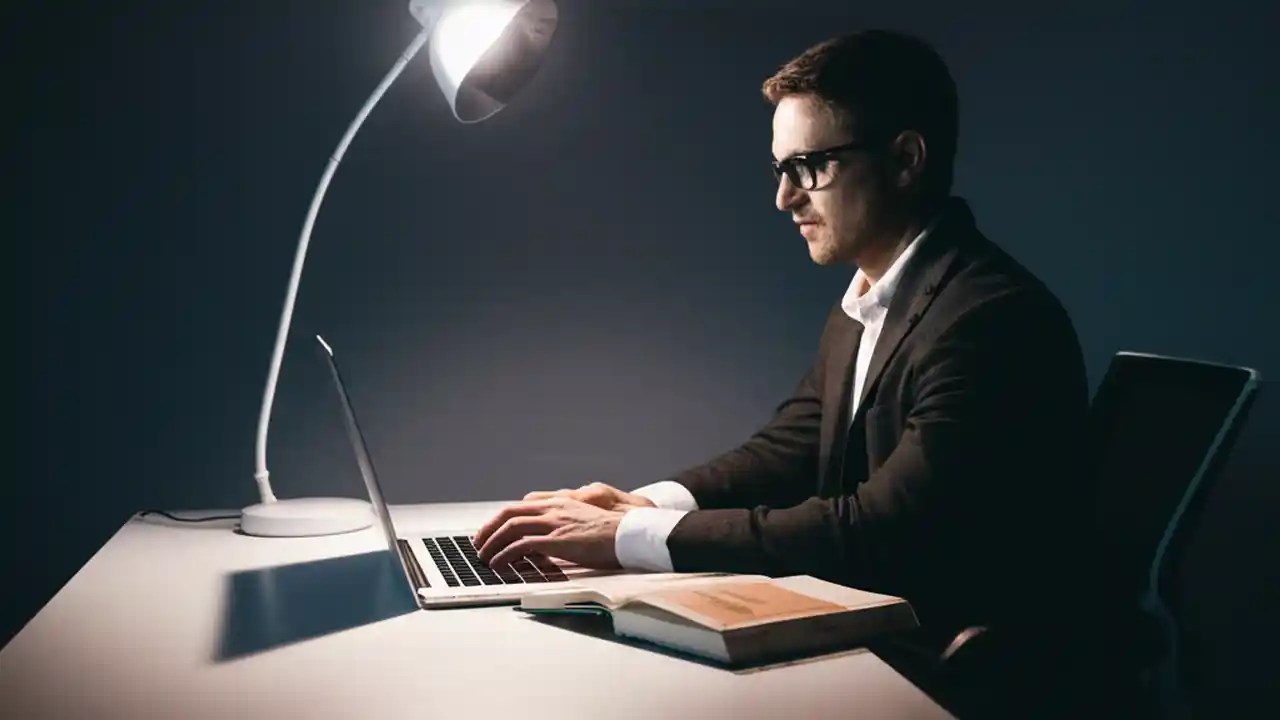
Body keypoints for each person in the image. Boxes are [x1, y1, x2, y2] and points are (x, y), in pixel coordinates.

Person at [475, 29, 1115, 713]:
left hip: (939, 671)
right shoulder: (873, 300)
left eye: (809, 167)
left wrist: (630, 542)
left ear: (904, 158)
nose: (785, 198)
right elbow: (791, 447)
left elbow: (880, 531)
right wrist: (644, 505)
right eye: (780, 168)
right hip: (883, 636)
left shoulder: (990, 320)